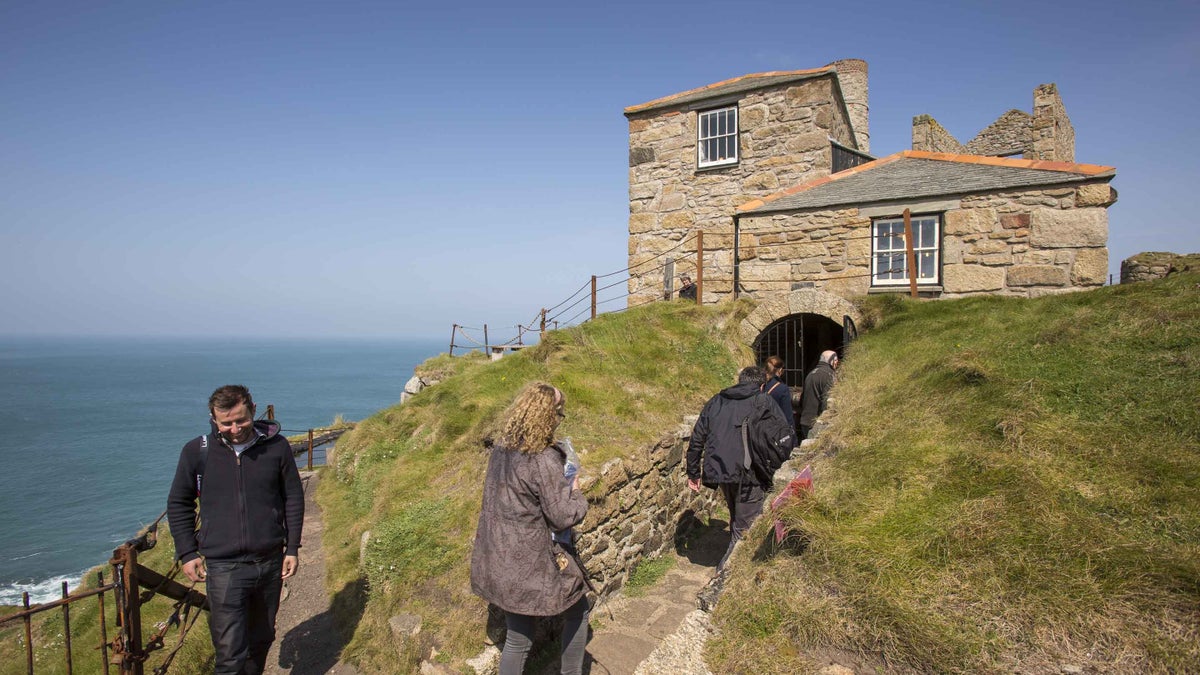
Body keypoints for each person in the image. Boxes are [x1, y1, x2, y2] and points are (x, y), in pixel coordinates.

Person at [167, 385, 304, 675]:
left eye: (240, 420)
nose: (234, 428)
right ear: (213, 419)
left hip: (269, 561)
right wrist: (187, 552)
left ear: (253, 410)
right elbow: (179, 502)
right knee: (230, 654)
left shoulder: (276, 447)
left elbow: (293, 497)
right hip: (224, 567)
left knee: (262, 639)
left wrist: (292, 548)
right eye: (225, 423)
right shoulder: (196, 452)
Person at [470, 383, 590, 675]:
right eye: (558, 412)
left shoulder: (501, 449)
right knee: (578, 609)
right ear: (547, 416)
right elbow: (562, 516)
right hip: (530, 561)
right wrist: (576, 492)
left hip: (497, 555)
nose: (561, 417)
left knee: (518, 639)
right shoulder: (543, 459)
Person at [686, 366, 794, 569]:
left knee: (737, 516)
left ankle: (730, 562)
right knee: (745, 528)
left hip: (721, 471)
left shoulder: (717, 401)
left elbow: (697, 437)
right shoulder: (763, 400)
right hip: (750, 473)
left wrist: (693, 472)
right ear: (762, 385)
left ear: (740, 380)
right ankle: (725, 576)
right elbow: (783, 433)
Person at [799, 350, 839, 441]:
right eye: (835, 359)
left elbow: (802, 398)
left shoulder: (810, 374)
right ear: (830, 360)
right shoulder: (829, 375)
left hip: (805, 420)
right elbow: (826, 402)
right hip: (816, 423)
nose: (837, 362)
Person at [761, 355, 795, 435]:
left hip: (761, 428)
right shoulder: (782, 388)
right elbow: (787, 415)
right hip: (776, 430)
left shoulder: (760, 386)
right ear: (780, 370)